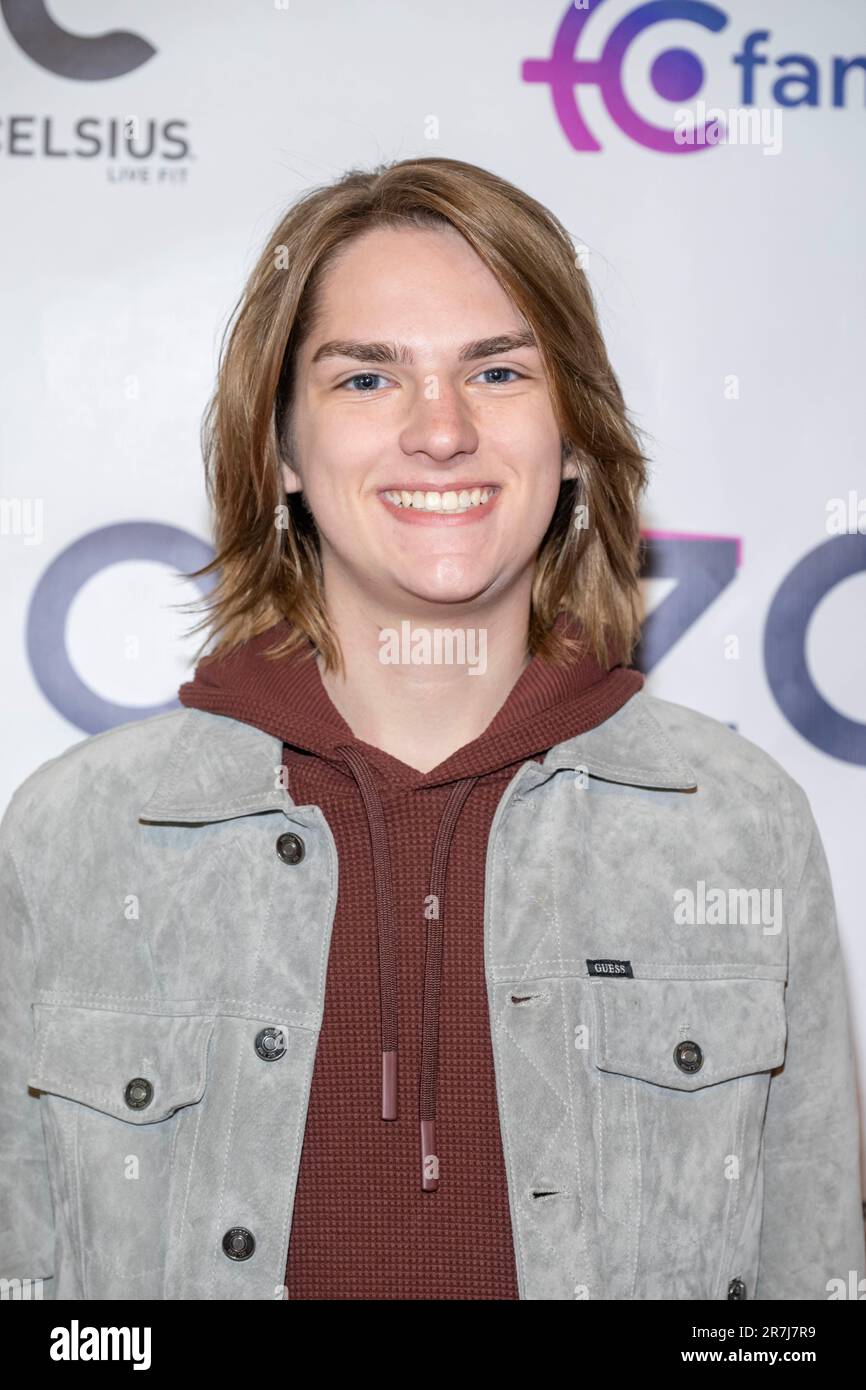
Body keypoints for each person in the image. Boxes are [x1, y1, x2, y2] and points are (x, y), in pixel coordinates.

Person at [1, 157, 862, 1302]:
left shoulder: (736, 827)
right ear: (284, 454)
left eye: (497, 370)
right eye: (366, 380)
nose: (440, 430)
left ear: (571, 441)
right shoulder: (76, 836)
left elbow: (801, 1304)